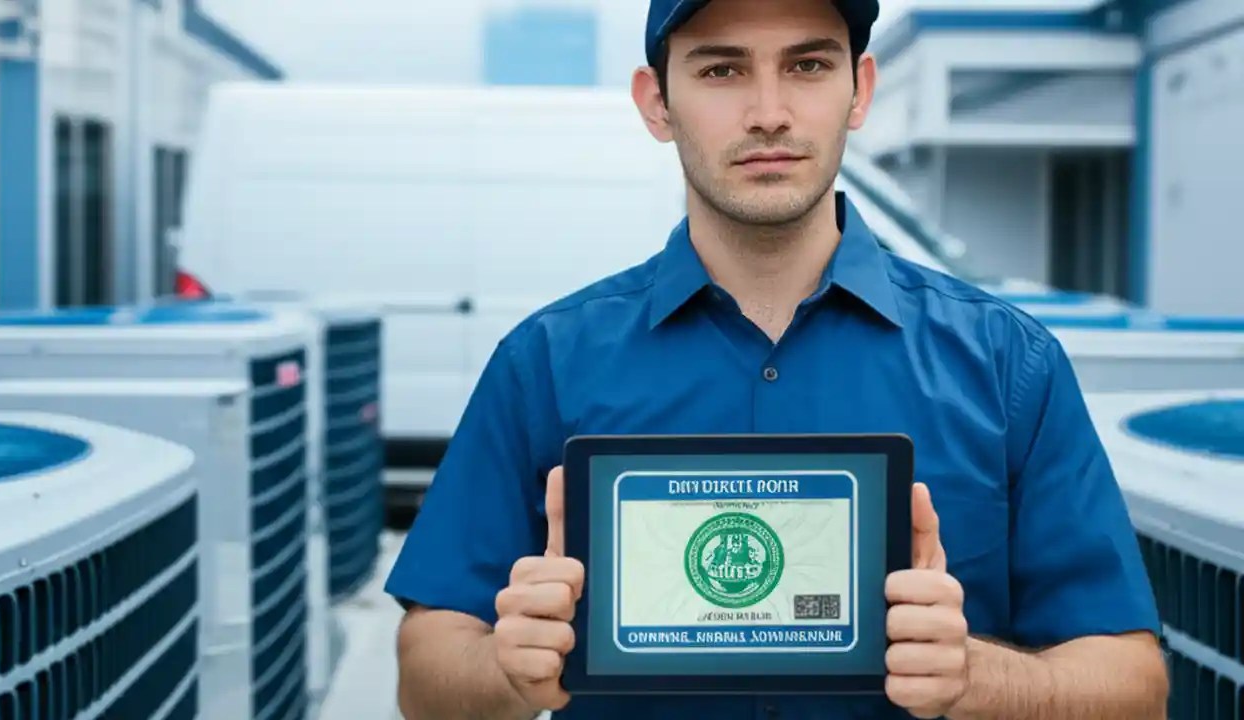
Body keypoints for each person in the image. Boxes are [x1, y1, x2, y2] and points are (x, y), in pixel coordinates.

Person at [386, 0, 1170, 717]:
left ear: (860, 90)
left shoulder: (1007, 364)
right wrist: (504, 669)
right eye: (722, 69)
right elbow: (424, 677)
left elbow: (1133, 686)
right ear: (656, 102)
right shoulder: (545, 362)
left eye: (808, 65)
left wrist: (975, 677)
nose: (769, 114)